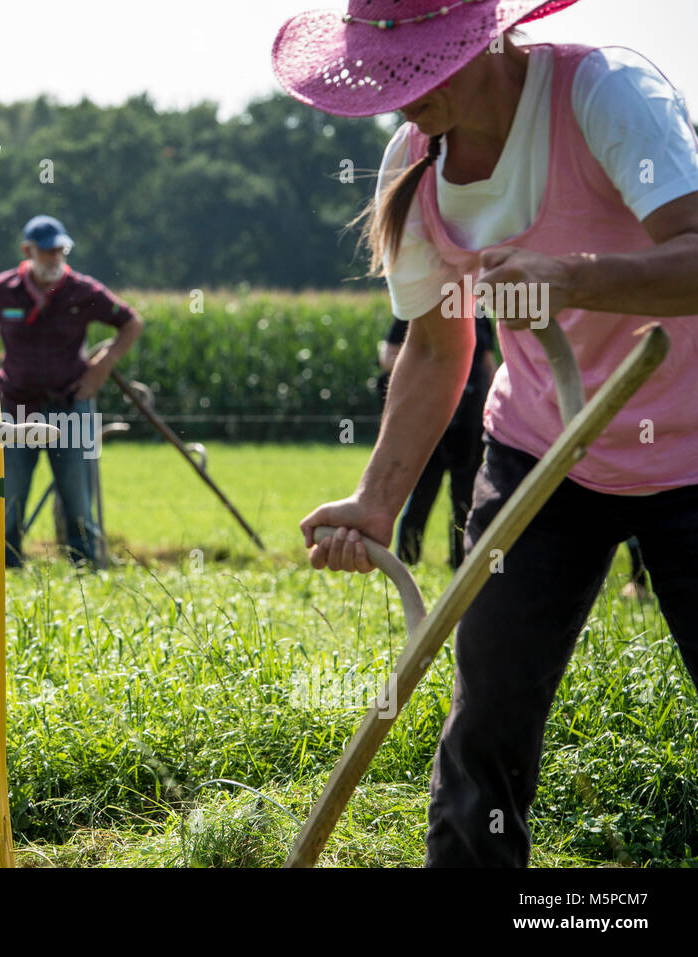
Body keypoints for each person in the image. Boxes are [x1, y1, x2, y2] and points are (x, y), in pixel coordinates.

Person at [274, 0, 698, 866]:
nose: (399, 94)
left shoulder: (606, 95)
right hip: (544, 452)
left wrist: (570, 276)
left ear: (482, 39)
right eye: (387, 71)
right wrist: (377, 500)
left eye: (421, 65)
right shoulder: (413, 163)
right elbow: (438, 346)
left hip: (692, 448)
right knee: (488, 718)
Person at [0, 215, 144, 568]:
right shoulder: (2, 290)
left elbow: (131, 322)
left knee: (77, 496)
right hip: (14, 410)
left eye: (60, 251)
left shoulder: (82, 290)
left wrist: (101, 367)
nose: (55, 258)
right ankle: (5, 564)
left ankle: (86, 567)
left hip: (70, 406)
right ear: (27, 251)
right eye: (47, 252)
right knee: (9, 494)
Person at [379, 311, 496, 568]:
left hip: (470, 422)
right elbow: (388, 357)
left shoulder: (480, 314)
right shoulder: (420, 306)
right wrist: (430, 367)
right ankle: (407, 559)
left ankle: (461, 560)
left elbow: (488, 363)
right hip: (429, 420)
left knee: (466, 497)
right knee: (422, 492)